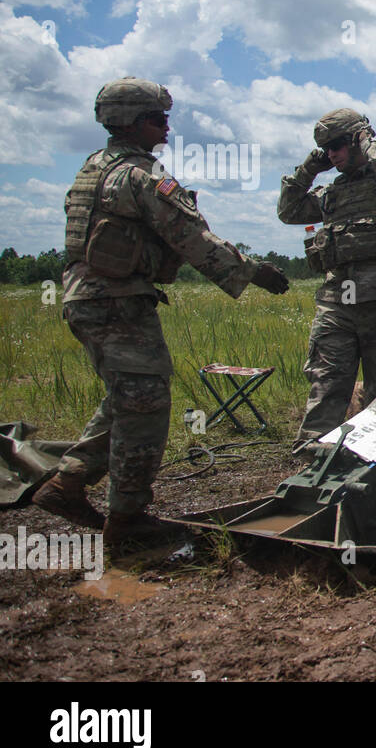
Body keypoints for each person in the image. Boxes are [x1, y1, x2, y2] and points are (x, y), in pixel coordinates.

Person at [33, 77, 289, 546]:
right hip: (116, 301)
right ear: (132, 121)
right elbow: (192, 238)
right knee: (147, 404)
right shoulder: (141, 175)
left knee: (128, 399)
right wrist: (253, 272)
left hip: (88, 297)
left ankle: (66, 484)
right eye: (158, 118)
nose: (167, 126)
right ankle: (127, 519)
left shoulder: (93, 168)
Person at [279, 108, 376, 449]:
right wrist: (309, 168)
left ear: (359, 139)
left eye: (338, 144)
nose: (332, 154)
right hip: (337, 303)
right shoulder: (333, 193)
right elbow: (289, 211)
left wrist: (370, 146)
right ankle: (314, 459)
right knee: (326, 382)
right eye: (326, 149)